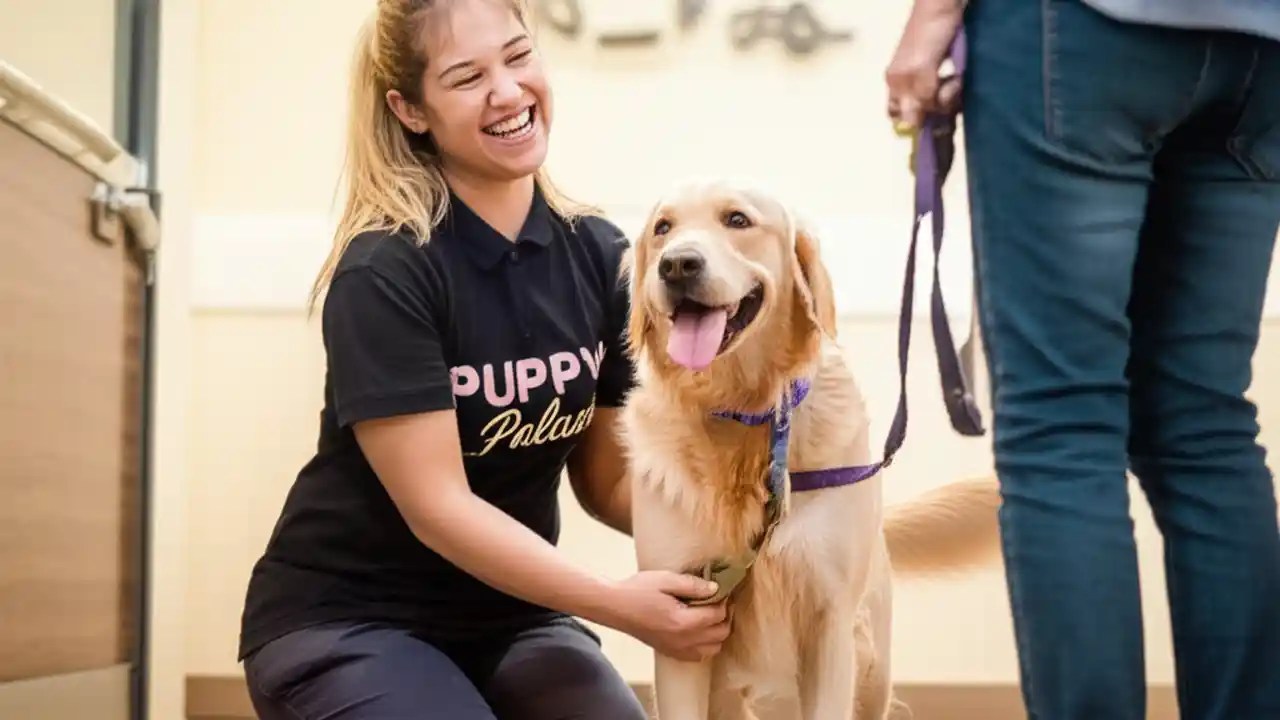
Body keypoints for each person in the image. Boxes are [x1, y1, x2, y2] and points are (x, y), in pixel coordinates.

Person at [236, 1, 732, 717]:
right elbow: (439, 508)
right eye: (467, 77)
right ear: (411, 110)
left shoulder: (600, 257)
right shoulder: (386, 269)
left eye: (518, 55)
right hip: (349, 618)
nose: (508, 91)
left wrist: (734, 520)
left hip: (514, 619)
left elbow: (608, 481)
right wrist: (615, 604)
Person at [886, 1, 1280, 718]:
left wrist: (933, 13)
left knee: (1062, 427)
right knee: (1207, 427)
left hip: (1081, 29)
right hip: (1261, 48)